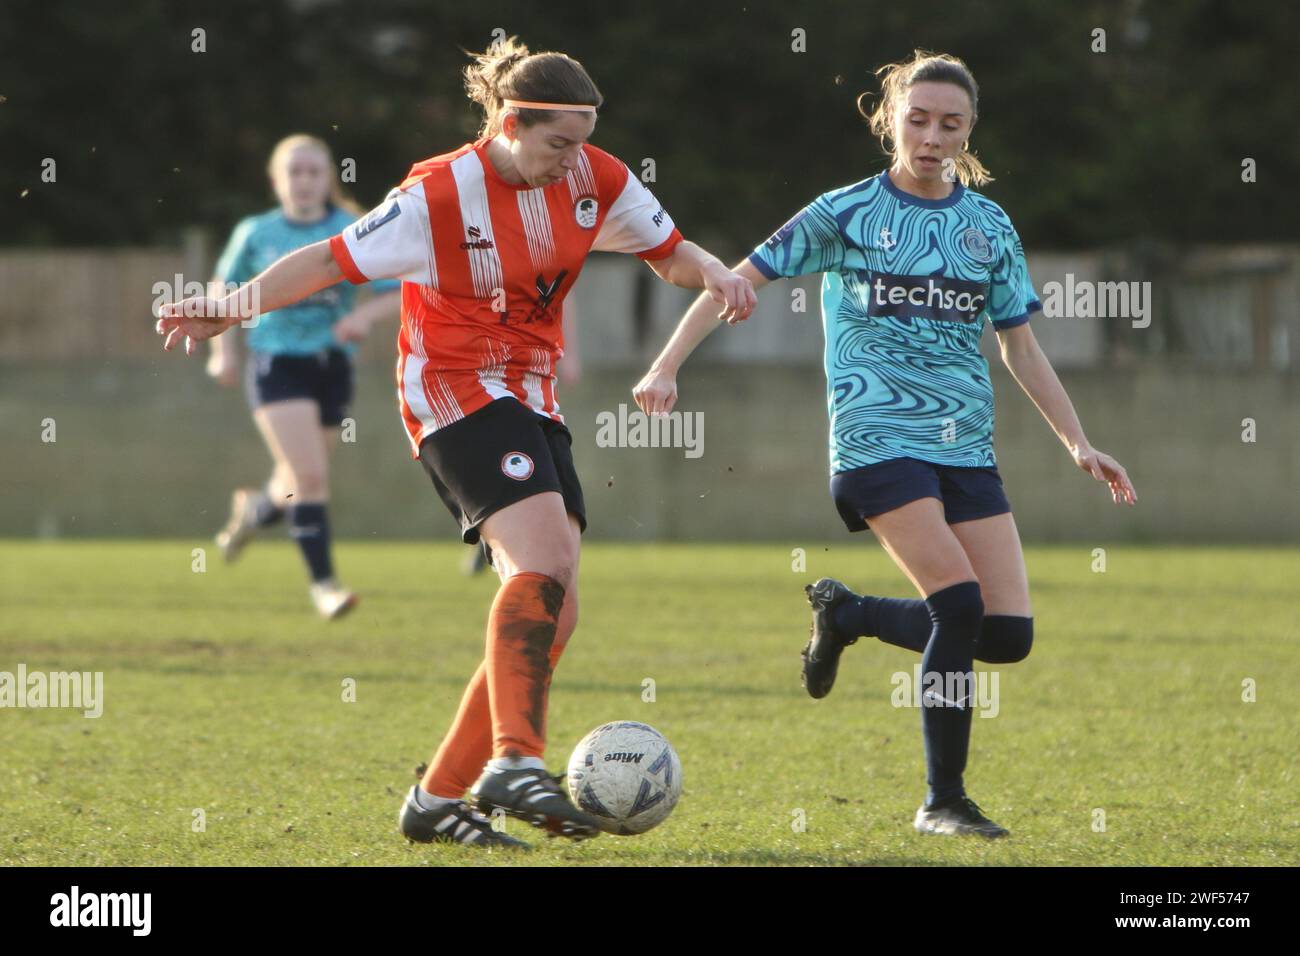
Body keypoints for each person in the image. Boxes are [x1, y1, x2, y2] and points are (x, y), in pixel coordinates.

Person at [155, 38, 755, 849]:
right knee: (542, 564)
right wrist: (232, 306)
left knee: (559, 609)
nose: (575, 161)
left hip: (531, 394)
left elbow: (668, 253)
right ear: (511, 123)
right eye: (558, 143)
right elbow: (327, 262)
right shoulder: (436, 193)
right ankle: (514, 760)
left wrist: (713, 270)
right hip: (452, 390)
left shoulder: (596, 176)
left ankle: (437, 800)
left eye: (584, 141)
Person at [633, 50, 1136, 840]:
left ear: (970, 131)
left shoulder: (988, 226)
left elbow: (1021, 347)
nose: (933, 136)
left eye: (951, 124)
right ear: (889, 119)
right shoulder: (845, 212)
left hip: (965, 445)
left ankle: (850, 614)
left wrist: (1078, 442)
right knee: (958, 605)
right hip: (875, 439)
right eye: (919, 119)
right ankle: (944, 802)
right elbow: (734, 281)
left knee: (1006, 634)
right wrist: (664, 367)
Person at [207, 134, 400, 619]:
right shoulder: (256, 232)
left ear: (329, 178)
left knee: (296, 480)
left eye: (314, 171)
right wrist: (221, 352)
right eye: (295, 172)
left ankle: (255, 512)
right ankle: (325, 586)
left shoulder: (350, 228)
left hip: (333, 366)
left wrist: (364, 318)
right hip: (277, 364)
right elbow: (221, 292)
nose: (305, 180)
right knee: (311, 475)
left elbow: (398, 291)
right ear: (276, 181)